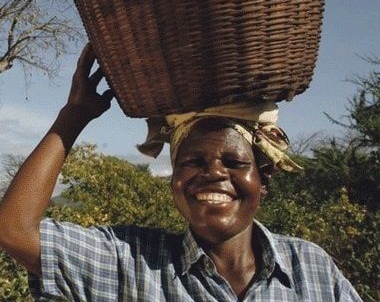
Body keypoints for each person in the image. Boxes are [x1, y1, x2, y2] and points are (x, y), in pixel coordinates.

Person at [0, 44, 363, 301]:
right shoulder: (132, 263)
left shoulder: (310, 269)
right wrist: (74, 114)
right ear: (174, 178)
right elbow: (13, 230)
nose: (213, 173)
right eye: (192, 162)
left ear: (263, 179)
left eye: (234, 163)